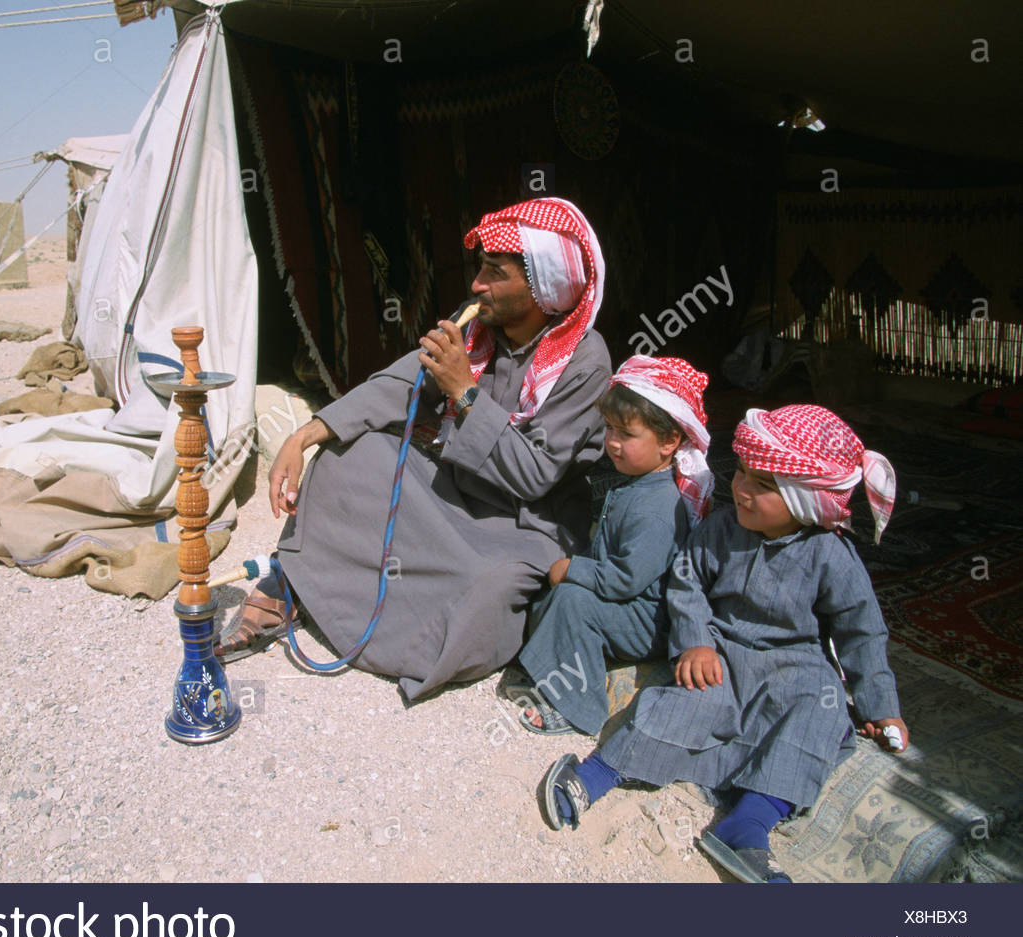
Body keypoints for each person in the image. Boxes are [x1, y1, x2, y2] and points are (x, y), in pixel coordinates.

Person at [219, 197, 613, 700]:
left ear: (542, 289)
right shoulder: (476, 325)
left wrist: (464, 391)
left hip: (524, 522)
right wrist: (305, 435)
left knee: (484, 590)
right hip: (453, 485)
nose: (476, 285)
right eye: (480, 270)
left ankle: (370, 613)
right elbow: (401, 381)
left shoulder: (586, 362)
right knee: (347, 458)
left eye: (496, 273)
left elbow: (535, 475)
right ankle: (300, 580)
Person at [537, 405, 909, 884]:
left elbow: (862, 631)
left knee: (823, 712)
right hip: (722, 648)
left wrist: (881, 705)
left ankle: (748, 824)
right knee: (682, 700)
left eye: (764, 485)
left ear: (808, 501)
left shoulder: (830, 555)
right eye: (744, 475)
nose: (743, 489)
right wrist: (693, 644)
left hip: (795, 664)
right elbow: (686, 585)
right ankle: (594, 775)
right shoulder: (720, 528)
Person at [512, 355, 712, 735]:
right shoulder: (636, 484)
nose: (613, 443)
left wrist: (574, 569)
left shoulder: (658, 511)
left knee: (573, 601)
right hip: (625, 603)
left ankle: (576, 707)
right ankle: (550, 669)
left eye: (627, 434)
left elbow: (624, 580)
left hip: (646, 619)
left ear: (669, 442)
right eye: (610, 429)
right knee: (553, 597)